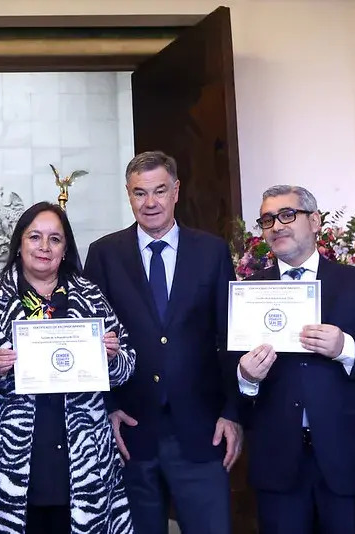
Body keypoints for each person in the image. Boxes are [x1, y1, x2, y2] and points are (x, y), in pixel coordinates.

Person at [0, 201, 135, 534]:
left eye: (55, 239)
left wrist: (112, 357)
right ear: (19, 244)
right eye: (35, 237)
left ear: (65, 250)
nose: (44, 247)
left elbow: (128, 360)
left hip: (82, 459)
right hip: (8, 457)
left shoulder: (90, 298)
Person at [83, 151, 241, 534]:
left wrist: (233, 411)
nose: (150, 202)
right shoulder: (104, 254)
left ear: (176, 191)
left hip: (203, 431)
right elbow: (90, 339)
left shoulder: (212, 251)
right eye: (140, 193)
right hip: (131, 433)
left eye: (159, 191)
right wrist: (108, 407)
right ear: (128, 194)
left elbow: (232, 336)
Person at [237, 185, 355, 534]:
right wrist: (246, 378)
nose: (277, 225)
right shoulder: (250, 291)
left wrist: (346, 347)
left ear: (315, 221)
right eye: (267, 219)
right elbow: (231, 373)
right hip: (280, 468)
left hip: (351, 461)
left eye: (287, 215)